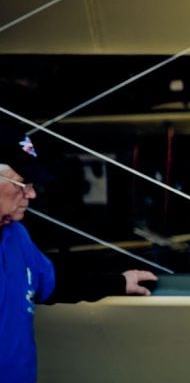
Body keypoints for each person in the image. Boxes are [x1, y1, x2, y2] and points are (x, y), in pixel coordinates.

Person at [0, 126, 157, 383]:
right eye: (23, 183)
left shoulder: (16, 236)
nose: (32, 193)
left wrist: (118, 282)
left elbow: (53, 283)